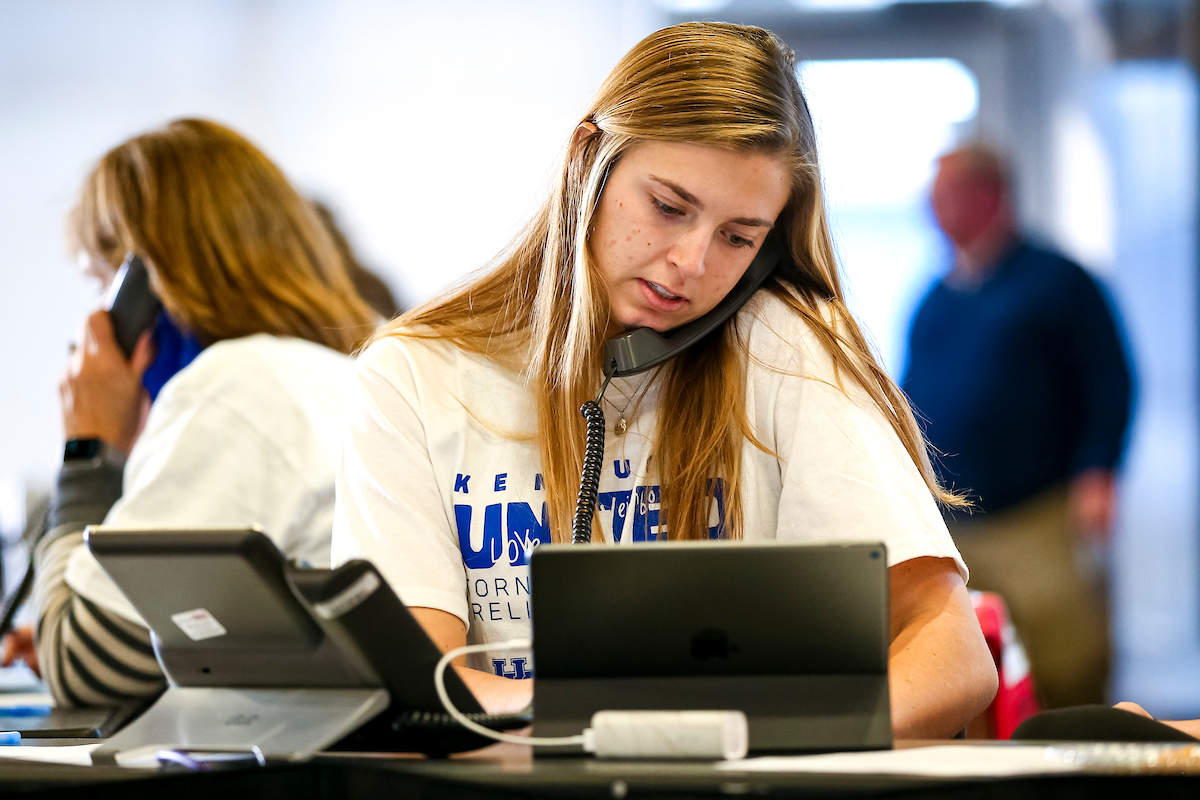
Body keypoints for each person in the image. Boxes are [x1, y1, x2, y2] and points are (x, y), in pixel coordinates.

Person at [333, 22, 997, 739]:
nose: (690, 262)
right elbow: (420, 679)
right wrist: (605, 726)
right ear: (588, 159)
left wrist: (749, 741)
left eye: (738, 237)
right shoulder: (413, 375)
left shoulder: (783, 346)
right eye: (669, 207)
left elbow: (953, 657)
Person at [14, 119, 377, 706]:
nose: (93, 324)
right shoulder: (333, 372)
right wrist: (94, 625)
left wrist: (88, 450)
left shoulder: (235, 389)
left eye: (100, 285)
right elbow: (144, 644)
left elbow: (84, 668)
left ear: (147, 288)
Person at [903, 144, 1134, 709]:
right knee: (967, 663)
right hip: (955, 520)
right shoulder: (936, 300)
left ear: (990, 197)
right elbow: (911, 400)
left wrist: (1098, 472)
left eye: (946, 198)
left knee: (1068, 662)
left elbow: (1111, 383)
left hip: (1040, 511)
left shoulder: (1059, 283)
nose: (933, 212)